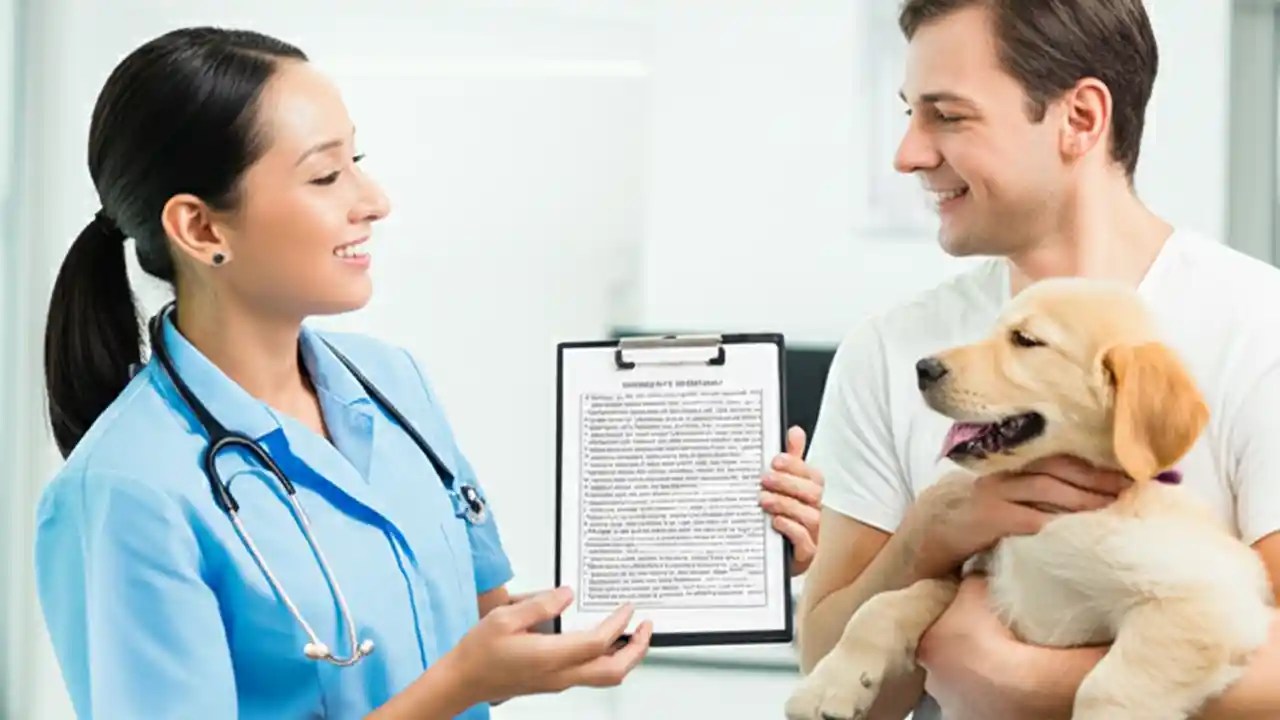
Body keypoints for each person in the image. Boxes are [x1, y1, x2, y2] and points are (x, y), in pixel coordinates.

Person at [33, 27, 824, 720]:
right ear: (200, 225)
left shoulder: (390, 385)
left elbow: (486, 634)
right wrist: (456, 688)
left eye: (359, 162)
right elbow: (459, 673)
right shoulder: (125, 492)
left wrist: (720, 560)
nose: (373, 200)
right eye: (324, 176)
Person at [790, 1, 1280, 718]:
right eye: (909, 115)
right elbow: (836, 681)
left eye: (948, 116)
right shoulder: (889, 351)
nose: (909, 154)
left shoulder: (1261, 327)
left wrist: (1009, 678)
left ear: (1080, 118)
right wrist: (924, 541)